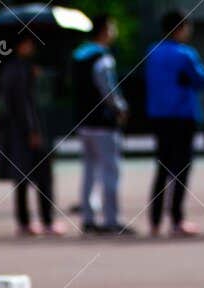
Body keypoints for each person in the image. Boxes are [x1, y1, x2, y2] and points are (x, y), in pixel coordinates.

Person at [144, 10, 204, 236]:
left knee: (162, 168)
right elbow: (201, 79)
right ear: (180, 28)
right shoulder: (185, 54)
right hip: (182, 116)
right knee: (181, 168)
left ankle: (154, 221)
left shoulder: (151, 52)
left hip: (159, 115)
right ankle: (177, 219)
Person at [0, 34, 62, 235]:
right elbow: (26, 104)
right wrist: (33, 130)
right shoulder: (22, 70)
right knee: (44, 177)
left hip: (16, 131)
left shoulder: (10, 70)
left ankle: (24, 223)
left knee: (22, 178)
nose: (33, 47)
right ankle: (47, 221)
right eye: (30, 43)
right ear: (21, 46)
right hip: (28, 132)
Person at [72, 13, 131, 235]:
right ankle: (111, 219)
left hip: (83, 121)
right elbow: (108, 87)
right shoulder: (103, 58)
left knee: (89, 171)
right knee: (110, 171)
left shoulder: (79, 55)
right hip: (103, 122)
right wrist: (120, 107)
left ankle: (88, 217)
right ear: (105, 30)